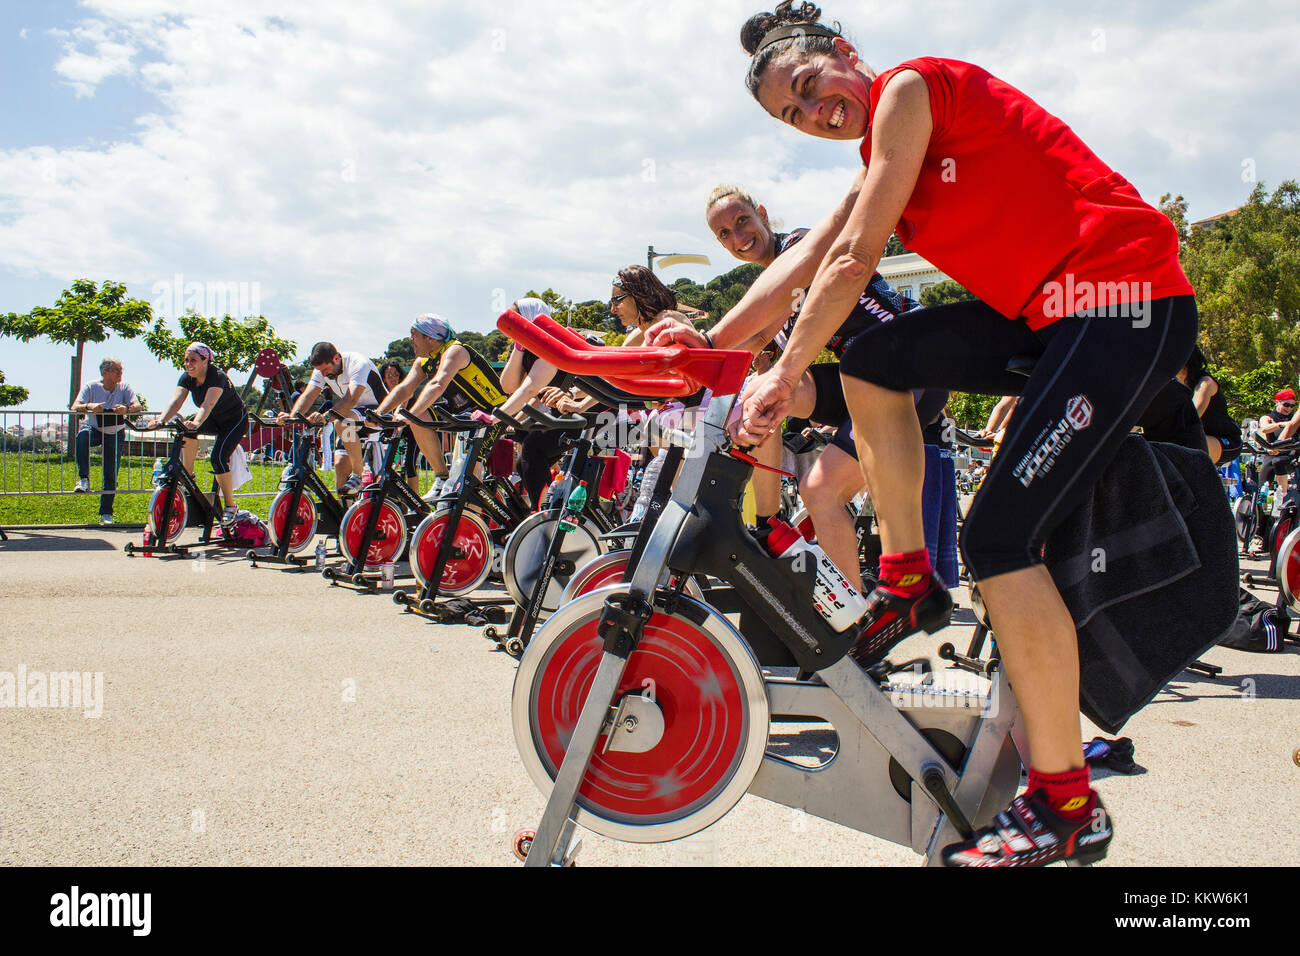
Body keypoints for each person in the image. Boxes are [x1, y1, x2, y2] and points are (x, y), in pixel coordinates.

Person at [699, 3, 1199, 866]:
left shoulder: (909, 89)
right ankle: (905, 580)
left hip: (1125, 301)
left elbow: (853, 260)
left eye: (812, 88)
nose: (815, 115)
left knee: (1000, 537)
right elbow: (805, 259)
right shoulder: (875, 153)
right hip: (1053, 317)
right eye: (793, 116)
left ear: (846, 56)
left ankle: (1067, 804)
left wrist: (781, 373)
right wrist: (704, 351)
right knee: (876, 363)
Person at [704, 184, 953, 587]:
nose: (738, 237)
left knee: (820, 490)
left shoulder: (800, 248)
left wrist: (710, 343)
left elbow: (762, 323)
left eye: (741, 221)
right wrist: (685, 374)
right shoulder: (777, 291)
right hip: (866, 376)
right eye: (724, 234)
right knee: (758, 392)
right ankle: (768, 523)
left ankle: (853, 624)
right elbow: (752, 342)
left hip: (910, 365)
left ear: (762, 214)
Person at [144, 343, 249, 527]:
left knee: (218, 458)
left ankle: (231, 506)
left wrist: (196, 423)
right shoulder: (187, 378)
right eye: (186, 360)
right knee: (186, 430)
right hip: (212, 419)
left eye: (192, 360)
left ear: (205, 360)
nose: (188, 364)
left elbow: (207, 405)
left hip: (233, 421)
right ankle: (188, 476)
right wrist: (160, 421)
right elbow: (175, 401)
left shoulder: (217, 376)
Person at [280, 342, 386, 496]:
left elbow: (351, 399)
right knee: (340, 464)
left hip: (377, 410)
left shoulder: (358, 363)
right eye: (319, 371)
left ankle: (358, 475)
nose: (323, 375)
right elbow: (308, 395)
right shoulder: (322, 370)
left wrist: (325, 417)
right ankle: (344, 513)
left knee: (342, 422)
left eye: (325, 370)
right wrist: (291, 417)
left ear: (336, 358)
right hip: (353, 415)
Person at [71, 357, 143, 524]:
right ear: (105, 372)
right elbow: (75, 406)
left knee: (111, 473)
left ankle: (106, 513)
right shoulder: (91, 386)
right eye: (116, 370)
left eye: (121, 370)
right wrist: (90, 406)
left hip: (115, 432)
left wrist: (127, 409)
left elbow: (137, 406)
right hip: (95, 429)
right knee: (82, 436)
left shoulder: (124, 387)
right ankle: (84, 479)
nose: (120, 373)